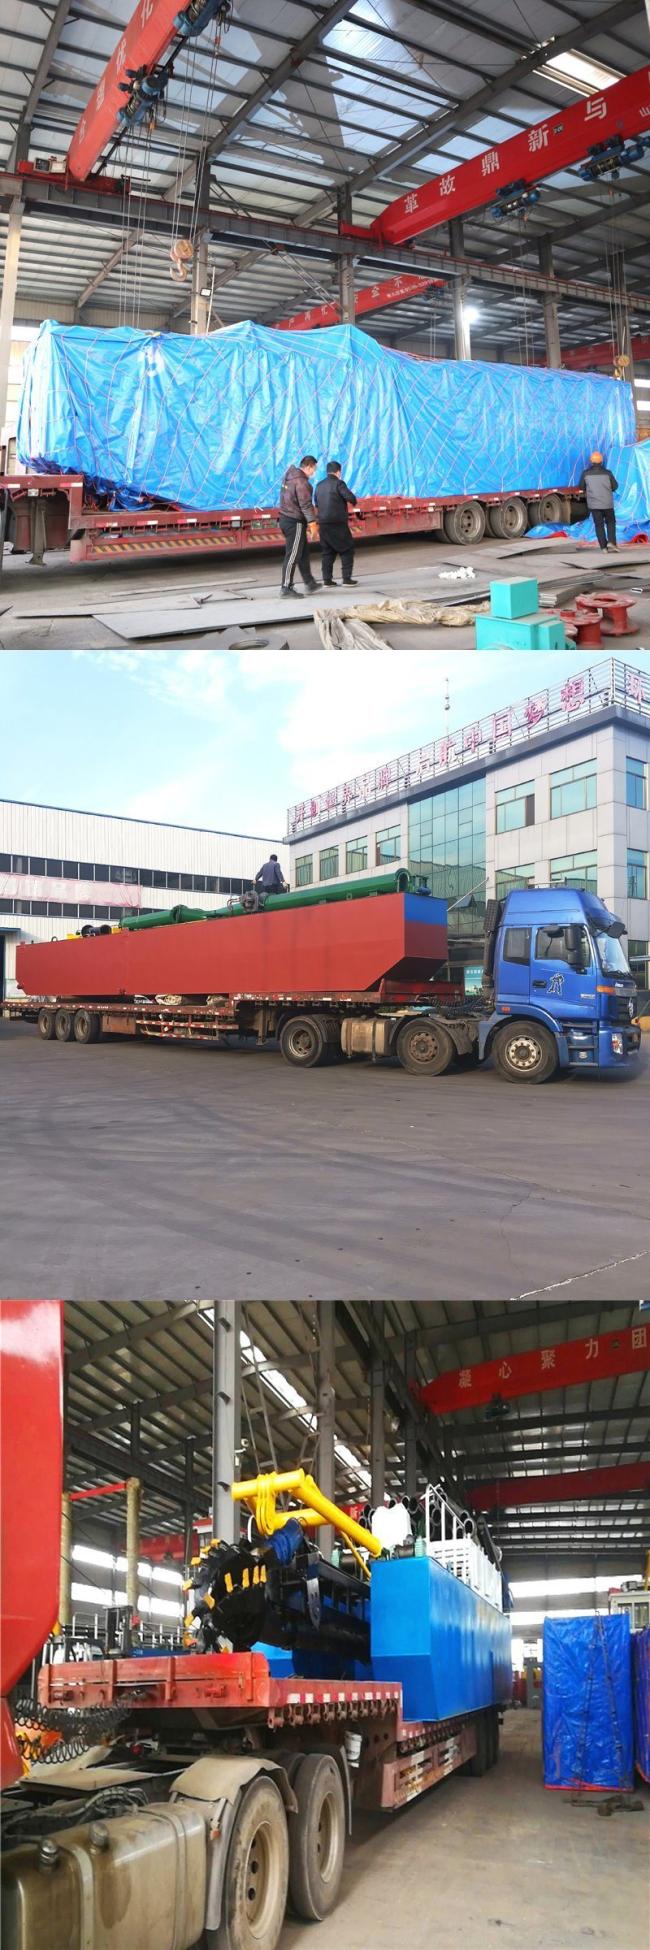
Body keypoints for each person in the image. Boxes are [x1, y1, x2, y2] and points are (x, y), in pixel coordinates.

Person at [278, 455, 320, 596]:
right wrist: (313, 524)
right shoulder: (302, 482)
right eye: (314, 469)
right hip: (294, 521)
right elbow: (306, 505)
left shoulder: (289, 476)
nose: (314, 472)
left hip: (285, 517)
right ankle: (286, 588)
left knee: (302, 553)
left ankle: (309, 582)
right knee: (293, 555)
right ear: (309, 466)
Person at [314, 460, 358, 586]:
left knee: (328, 551)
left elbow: (316, 503)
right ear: (338, 472)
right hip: (337, 523)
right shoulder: (339, 483)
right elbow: (350, 497)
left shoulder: (319, 485)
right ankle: (347, 579)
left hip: (323, 523)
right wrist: (353, 501)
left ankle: (327, 580)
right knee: (347, 549)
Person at [578, 451, 619, 551]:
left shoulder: (585, 474)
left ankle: (603, 547)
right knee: (610, 522)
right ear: (601, 461)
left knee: (599, 525)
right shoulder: (608, 473)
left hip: (594, 505)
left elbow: (581, 487)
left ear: (591, 461)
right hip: (607, 504)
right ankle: (612, 543)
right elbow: (615, 486)